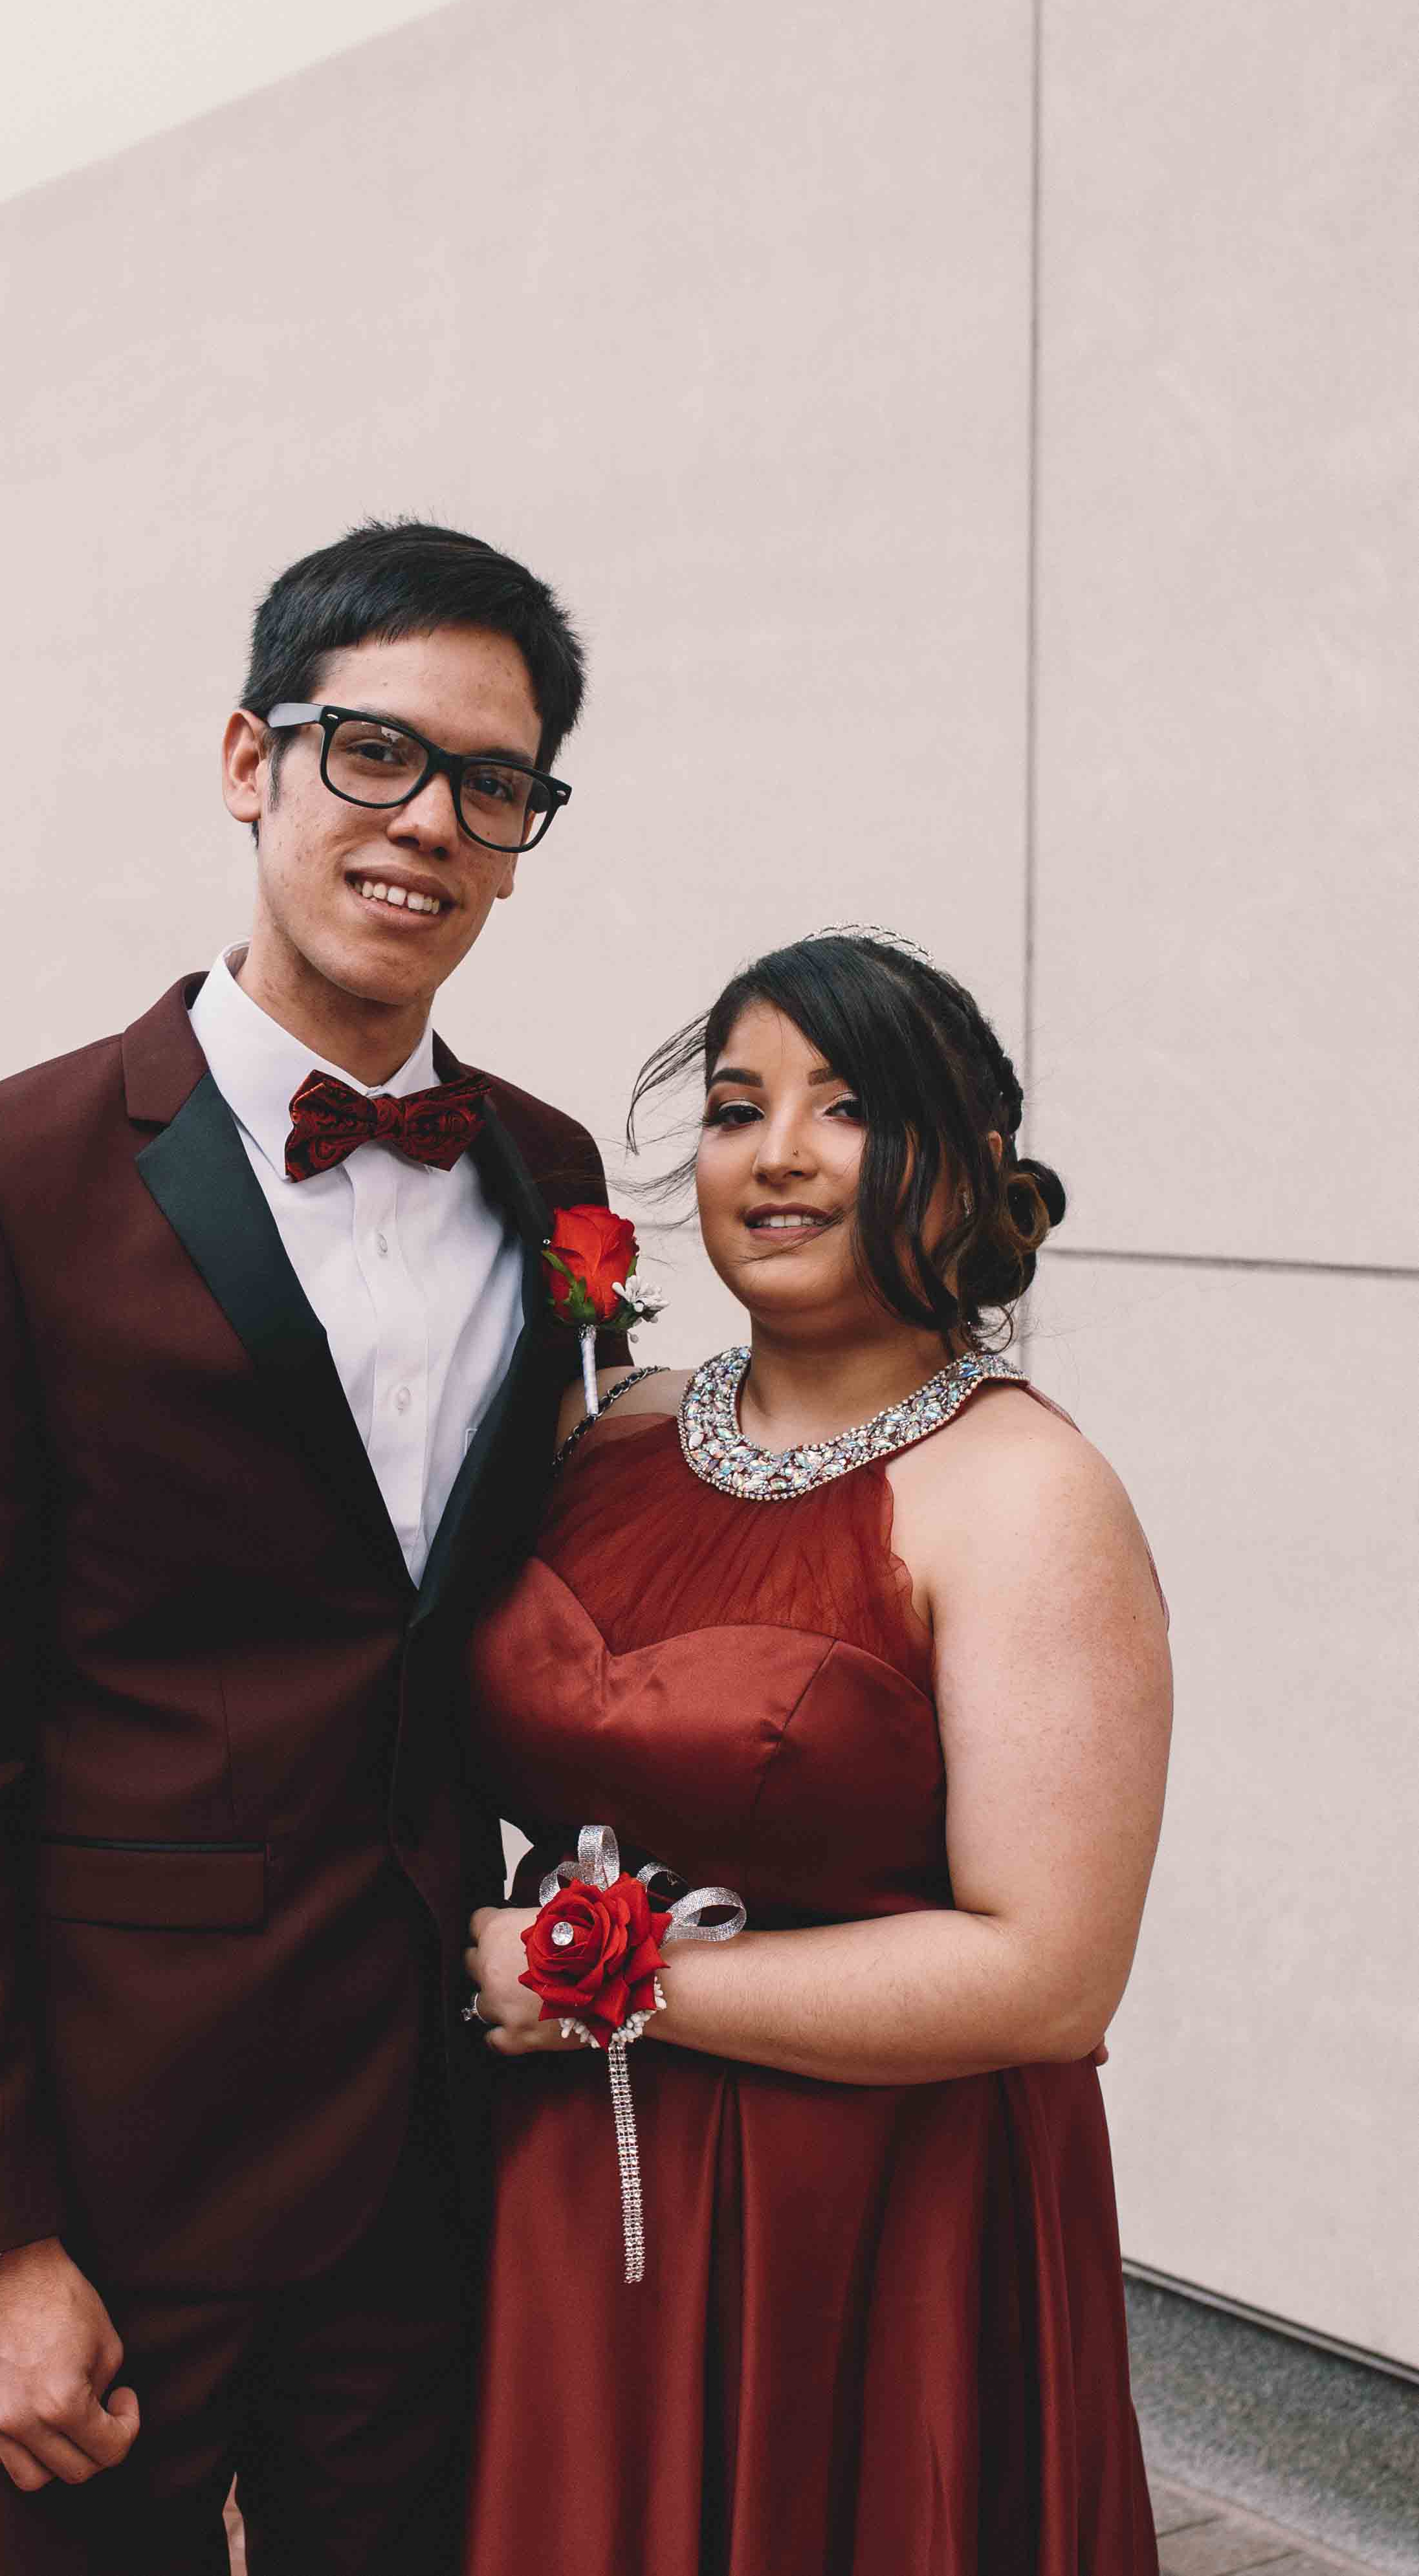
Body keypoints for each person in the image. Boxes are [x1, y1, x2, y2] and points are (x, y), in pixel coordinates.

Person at [0, 520, 622, 2576]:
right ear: (251, 759)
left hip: (439, 2171)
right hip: (105, 2170)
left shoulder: (549, 1174)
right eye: (375, 753)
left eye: (493, 784)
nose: (428, 823)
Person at [461, 930, 1171, 2575]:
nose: (775, 1153)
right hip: (558, 2198)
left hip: (867, 2226)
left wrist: (597, 1984)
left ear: (972, 1167)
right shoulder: (609, 1429)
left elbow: (1052, 1974)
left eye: (846, 1105)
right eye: (734, 1104)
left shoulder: (1024, 1500)